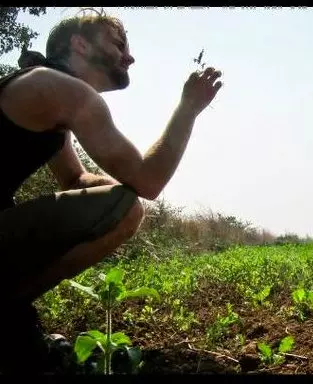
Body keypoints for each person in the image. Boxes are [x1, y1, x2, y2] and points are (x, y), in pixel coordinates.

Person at [0, 10, 222, 373]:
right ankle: (9, 317)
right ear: (79, 44)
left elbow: (74, 179)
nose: (129, 56)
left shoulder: (45, 89)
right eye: (118, 44)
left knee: (124, 204)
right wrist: (189, 107)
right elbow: (150, 181)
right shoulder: (62, 90)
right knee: (128, 209)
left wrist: (120, 191)